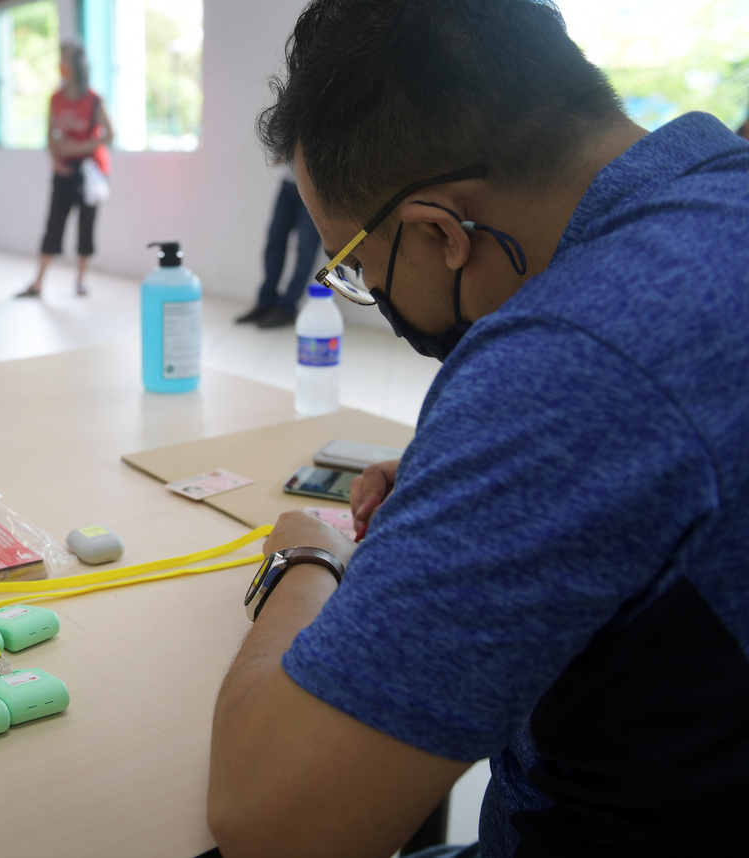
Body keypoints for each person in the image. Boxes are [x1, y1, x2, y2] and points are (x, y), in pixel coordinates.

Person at [207, 2, 749, 857]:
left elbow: (272, 821)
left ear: (437, 233)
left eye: (355, 267)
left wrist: (305, 559)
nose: (367, 297)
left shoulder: (569, 364)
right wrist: (475, 469)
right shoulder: (721, 196)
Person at [17, 41, 114, 299]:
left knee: (86, 228)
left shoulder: (93, 100)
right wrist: (57, 156)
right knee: (53, 226)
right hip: (62, 171)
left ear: (77, 66)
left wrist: (80, 146)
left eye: (65, 60)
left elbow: (109, 134)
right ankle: (37, 283)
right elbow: (49, 134)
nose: (61, 65)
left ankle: (80, 281)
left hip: (89, 172)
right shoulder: (56, 99)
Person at [235, 161, 324, 329]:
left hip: (317, 187)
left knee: (306, 248)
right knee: (275, 240)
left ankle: (287, 307)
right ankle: (266, 303)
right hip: (290, 183)